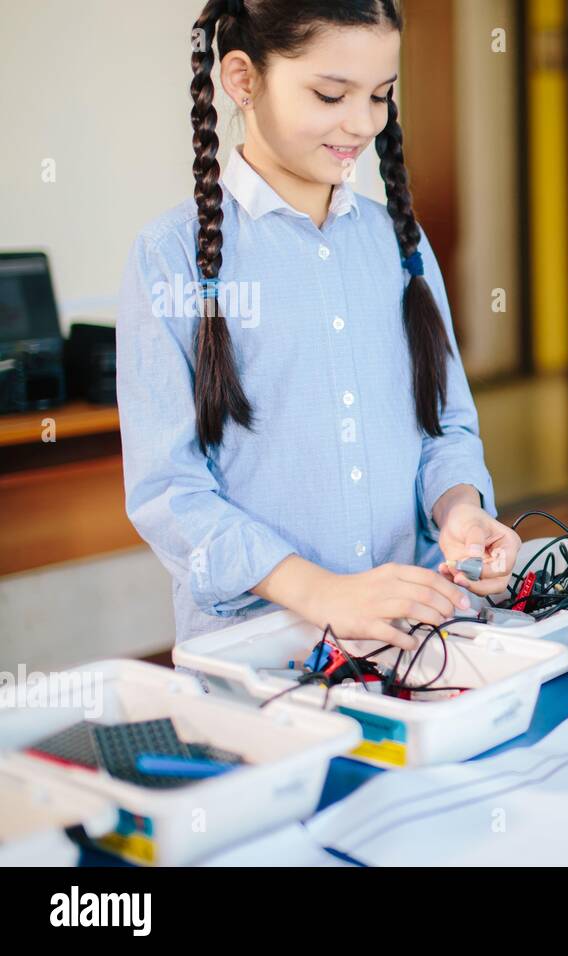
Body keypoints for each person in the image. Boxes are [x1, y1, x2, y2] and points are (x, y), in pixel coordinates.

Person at [117, 0, 519, 653]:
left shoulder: (402, 246)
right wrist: (320, 592)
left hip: (414, 635)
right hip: (261, 652)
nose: (362, 124)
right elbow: (170, 492)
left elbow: (445, 427)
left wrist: (461, 511)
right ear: (243, 80)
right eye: (331, 94)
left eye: (381, 96)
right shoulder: (168, 256)